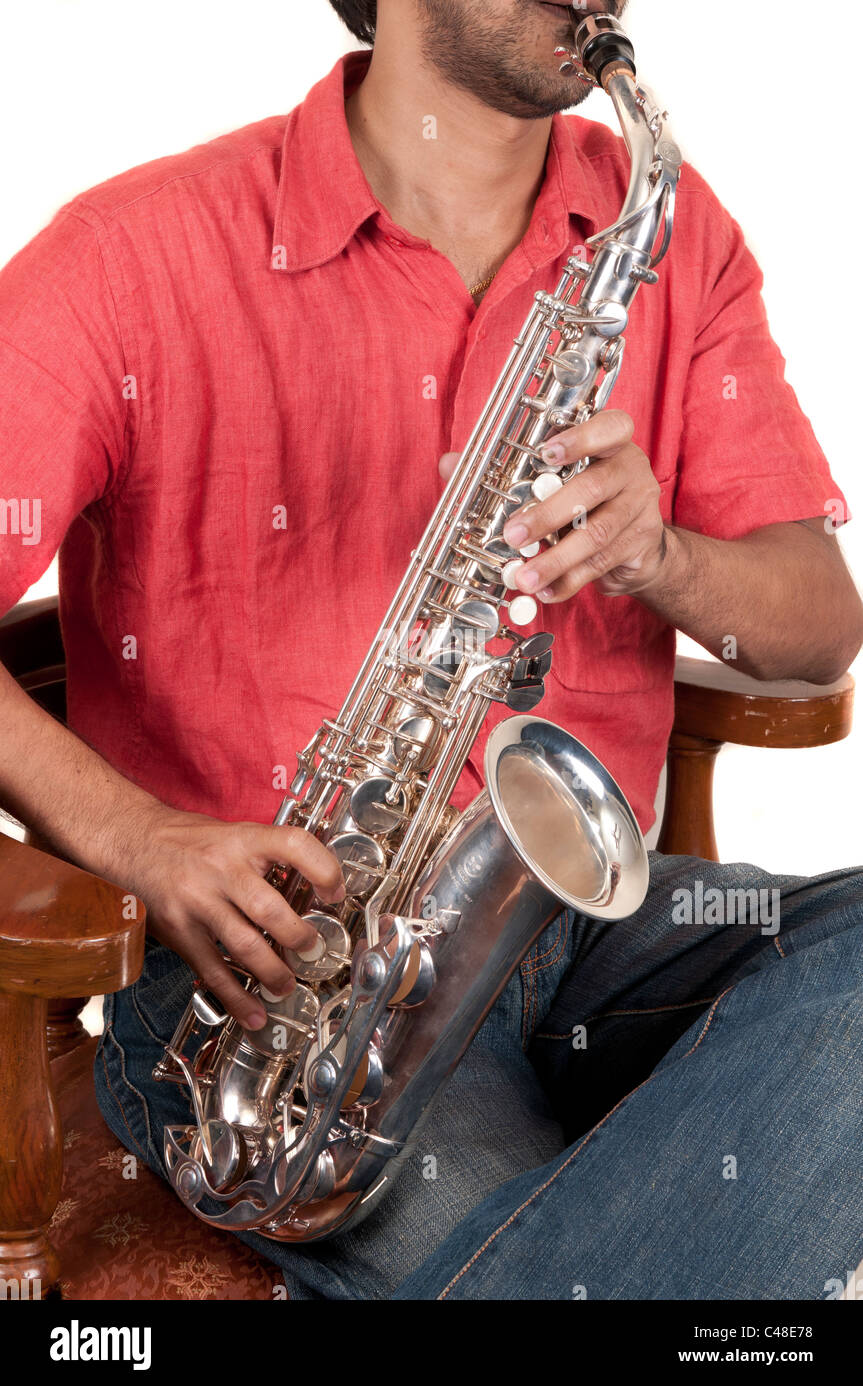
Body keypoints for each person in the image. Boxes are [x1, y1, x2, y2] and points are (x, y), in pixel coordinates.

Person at [0, 0, 861, 1300]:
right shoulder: (132, 253)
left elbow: (819, 621)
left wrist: (661, 554)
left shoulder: (668, 230)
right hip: (278, 999)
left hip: (592, 940)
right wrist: (136, 838)